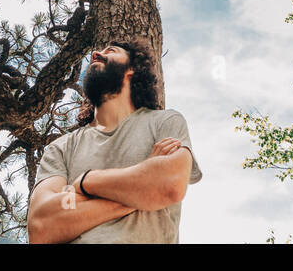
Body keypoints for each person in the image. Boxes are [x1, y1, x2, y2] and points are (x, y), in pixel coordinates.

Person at [26, 37, 202, 243]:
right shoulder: (62, 148)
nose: (96, 54)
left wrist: (85, 183)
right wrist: (142, 187)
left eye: (111, 51)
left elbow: (169, 185)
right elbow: (41, 226)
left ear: (132, 70)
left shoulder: (164, 122)